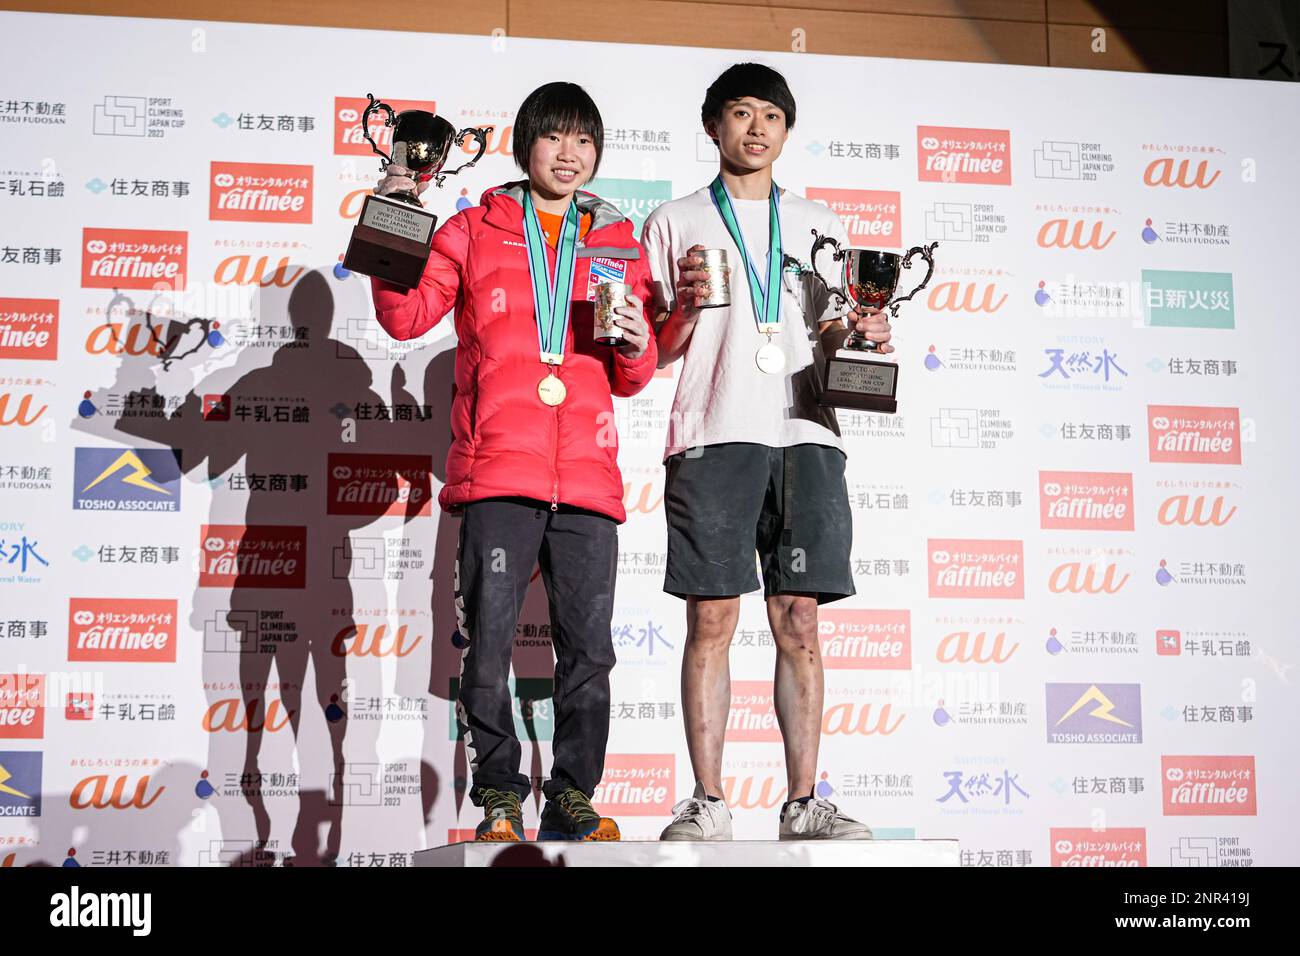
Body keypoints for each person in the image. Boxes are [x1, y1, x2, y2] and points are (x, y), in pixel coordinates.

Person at [369, 81, 658, 842]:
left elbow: (631, 375)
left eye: (585, 141)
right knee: (489, 645)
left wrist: (635, 343)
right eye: (555, 138)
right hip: (499, 474)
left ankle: (572, 796)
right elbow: (404, 316)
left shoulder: (616, 239)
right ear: (526, 142)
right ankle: (498, 795)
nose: (571, 154)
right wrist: (395, 202)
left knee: (589, 654)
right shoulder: (473, 228)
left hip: (589, 482)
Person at [641, 63, 892, 841]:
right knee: (711, 618)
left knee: (801, 619)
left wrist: (864, 333)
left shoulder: (820, 222)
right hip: (715, 430)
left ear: (787, 131)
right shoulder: (674, 220)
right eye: (740, 113)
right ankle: (709, 801)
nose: (755, 128)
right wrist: (682, 307)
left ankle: (804, 802)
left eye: (770, 116)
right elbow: (650, 349)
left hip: (807, 432)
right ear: (712, 125)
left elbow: (830, 331)